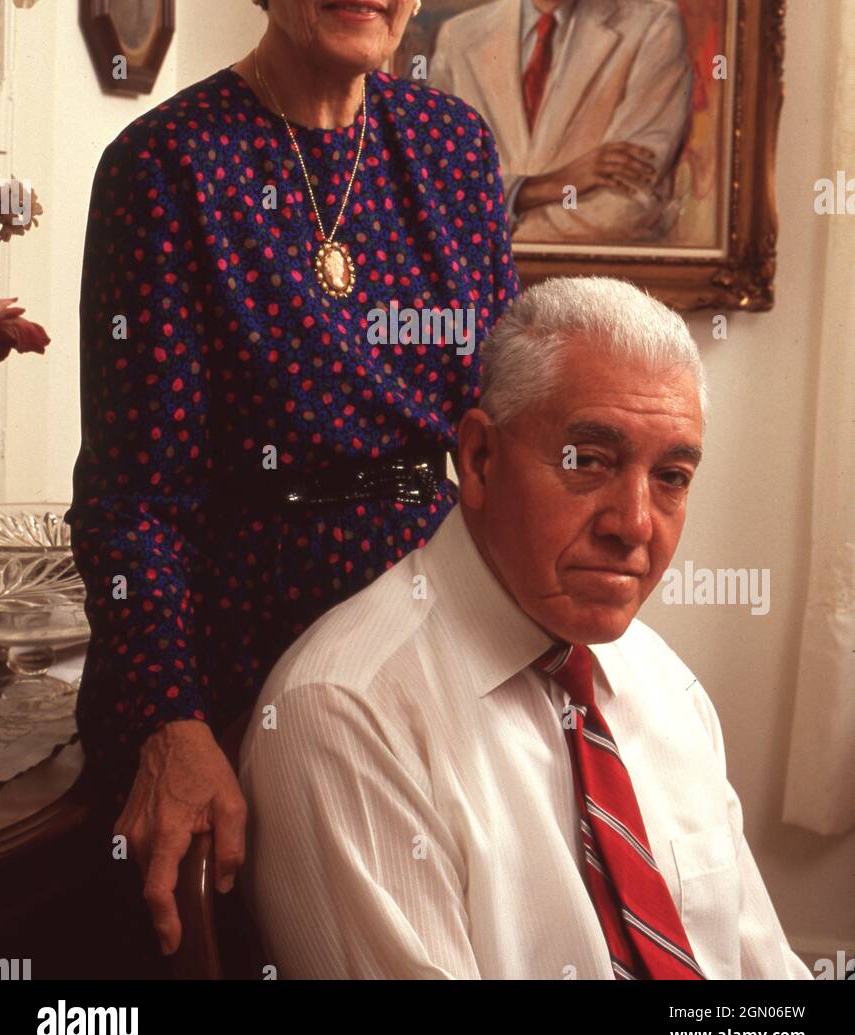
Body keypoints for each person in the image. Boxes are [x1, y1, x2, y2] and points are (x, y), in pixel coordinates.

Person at [65, 0, 520, 959]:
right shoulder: (165, 167)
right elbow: (131, 493)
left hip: (436, 626)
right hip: (231, 650)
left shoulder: (454, 149)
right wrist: (171, 718)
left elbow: (499, 418)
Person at [240, 275, 812, 981]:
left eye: (671, 476)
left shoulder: (665, 684)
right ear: (479, 460)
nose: (634, 524)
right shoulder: (343, 713)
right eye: (590, 461)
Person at [429, 0, 693, 245]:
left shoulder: (652, 27)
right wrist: (556, 183)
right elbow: (436, 191)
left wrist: (497, 223)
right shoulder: (459, 37)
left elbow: (632, 204)